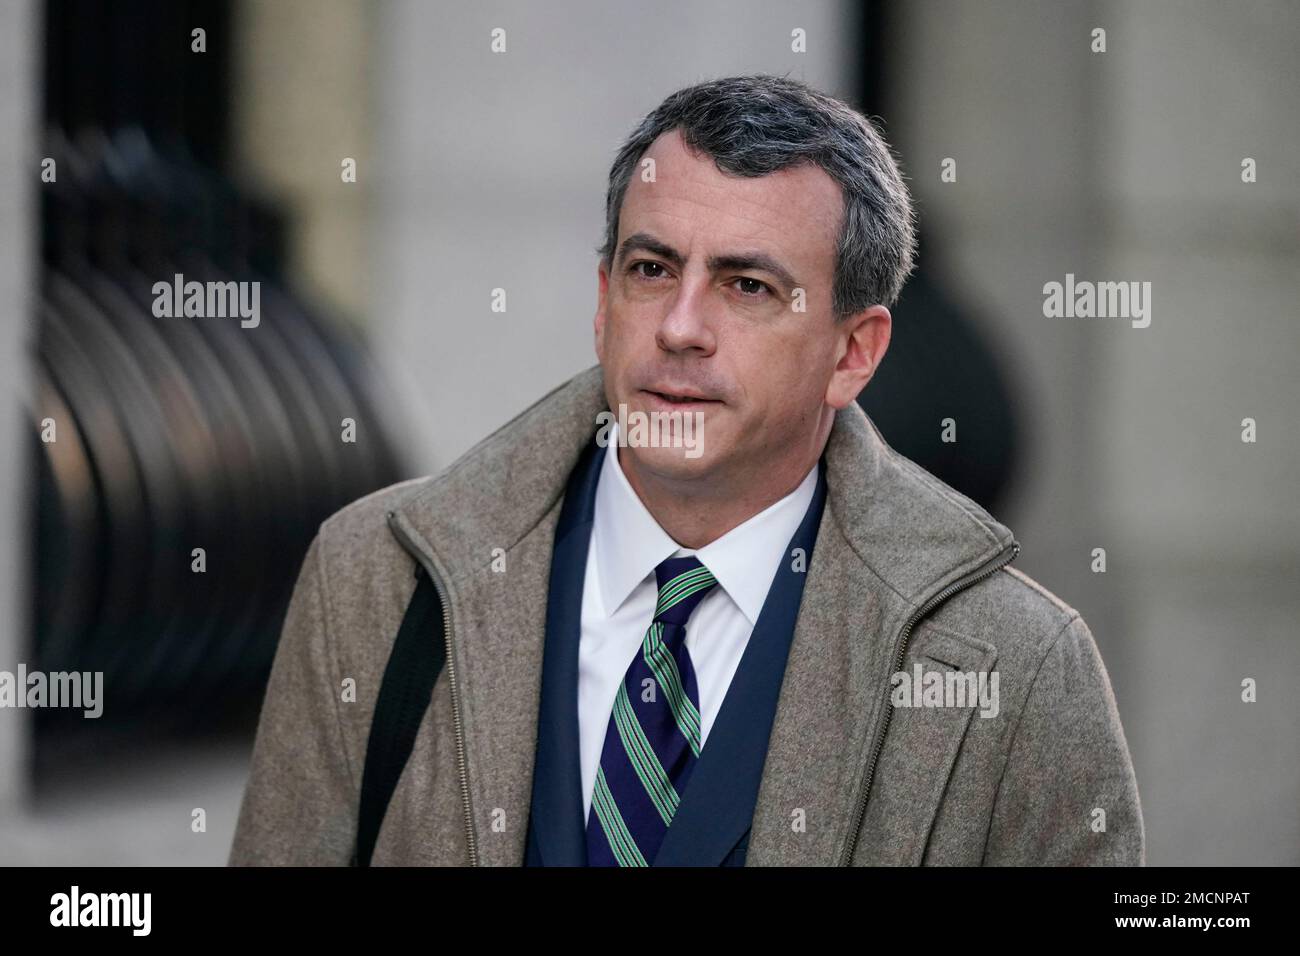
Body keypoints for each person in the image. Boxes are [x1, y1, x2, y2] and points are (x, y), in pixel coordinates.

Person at [229, 74, 1143, 867]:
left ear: (853, 354)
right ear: (603, 302)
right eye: (653, 269)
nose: (679, 327)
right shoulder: (370, 582)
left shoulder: (1019, 671)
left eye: (747, 286)